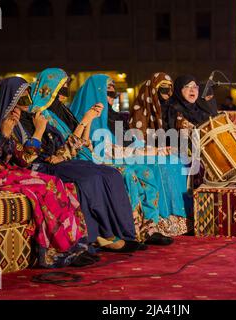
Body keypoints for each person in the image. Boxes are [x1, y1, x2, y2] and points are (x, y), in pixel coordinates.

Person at [0, 71, 96, 268]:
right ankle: (56, 250)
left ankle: (74, 245)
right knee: (46, 187)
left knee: (57, 183)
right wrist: (5, 135)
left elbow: (18, 158)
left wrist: (11, 131)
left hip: (0, 169)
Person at [0, 74, 142, 253]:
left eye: (29, 95)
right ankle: (102, 238)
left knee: (111, 174)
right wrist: (40, 131)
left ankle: (123, 232)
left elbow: (65, 147)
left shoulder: (37, 116)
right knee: (91, 179)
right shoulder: (11, 124)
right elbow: (25, 159)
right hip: (40, 167)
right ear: (13, 99)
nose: (28, 101)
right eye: (23, 97)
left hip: (60, 161)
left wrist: (84, 124)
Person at [68, 74, 192, 241]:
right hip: (97, 160)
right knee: (134, 171)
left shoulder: (114, 117)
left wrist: (156, 150)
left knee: (153, 169)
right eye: (108, 94)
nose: (112, 98)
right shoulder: (86, 118)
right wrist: (151, 152)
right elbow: (102, 150)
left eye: (114, 94)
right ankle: (133, 228)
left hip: (121, 156)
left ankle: (150, 225)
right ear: (96, 94)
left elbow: (131, 144)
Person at [129, 72, 174, 139]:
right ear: (153, 89)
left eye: (170, 87)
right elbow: (140, 138)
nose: (168, 92)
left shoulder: (171, 108)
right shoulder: (140, 111)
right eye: (164, 86)